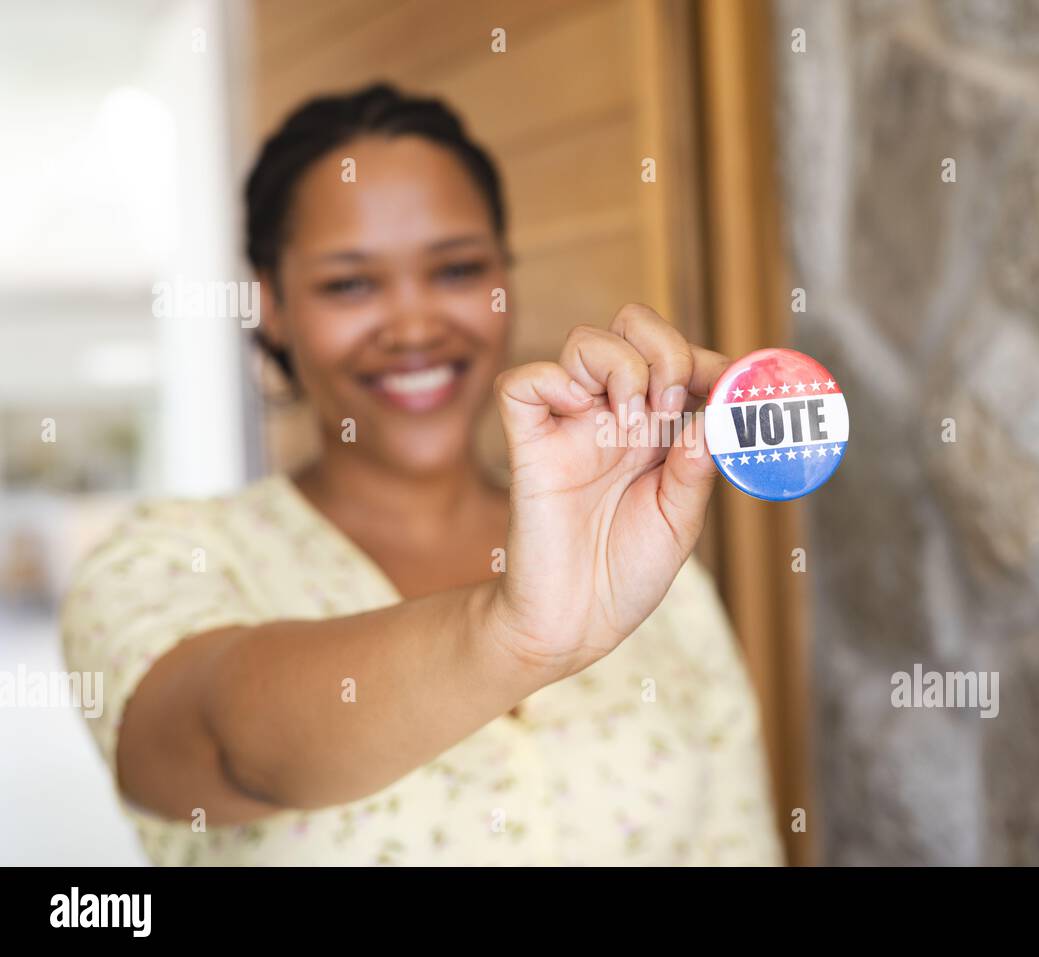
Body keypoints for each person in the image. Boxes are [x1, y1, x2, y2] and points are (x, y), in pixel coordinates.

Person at [60, 83, 785, 866]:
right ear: (271, 305)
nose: (412, 326)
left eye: (456, 270)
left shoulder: (656, 573)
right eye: (350, 283)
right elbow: (222, 745)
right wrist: (514, 636)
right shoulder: (168, 560)